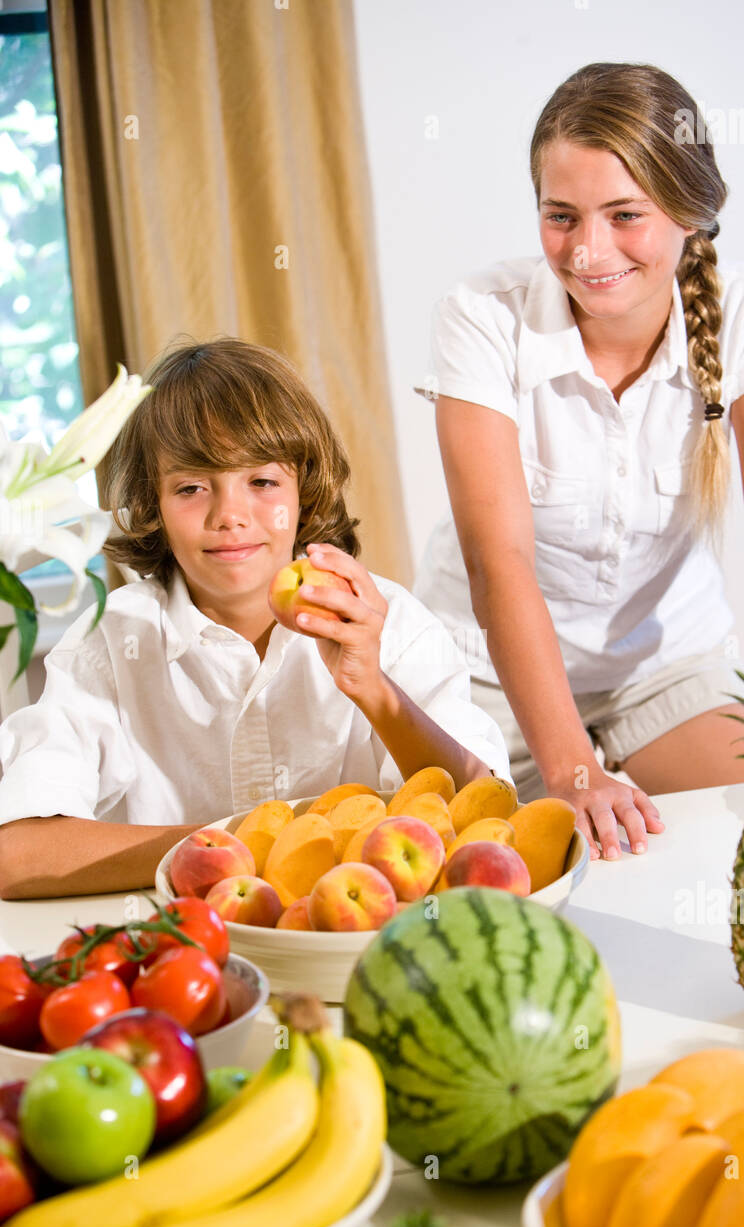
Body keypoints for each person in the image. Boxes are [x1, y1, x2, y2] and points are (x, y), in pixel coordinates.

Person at [413, 61, 744, 863]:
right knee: (498, 868)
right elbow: (501, 563)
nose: (590, 251)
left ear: (690, 212)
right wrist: (574, 771)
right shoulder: (481, 319)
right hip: (487, 680)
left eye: (624, 215)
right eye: (561, 216)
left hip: (666, 671)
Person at [0, 339, 511, 899]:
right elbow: (18, 855)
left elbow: (484, 813)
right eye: (191, 488)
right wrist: (244, 845)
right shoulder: (110, 641)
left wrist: (372, 687)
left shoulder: (389, 621)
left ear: (304, 491)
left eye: (262, 483)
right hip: (184, 952)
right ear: (154, 506)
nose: (229, 517)